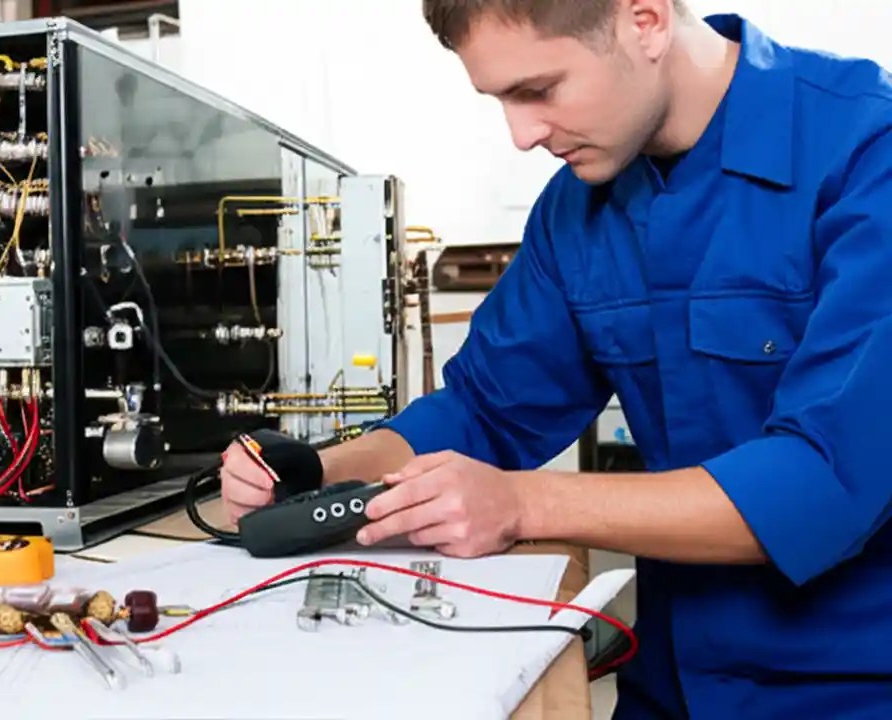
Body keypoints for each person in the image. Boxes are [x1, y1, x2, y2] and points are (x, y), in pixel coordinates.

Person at [219, 1, 892, 717]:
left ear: (646, 21)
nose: (521, 134)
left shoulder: (865, 154)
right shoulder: (576, 207)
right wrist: (320, 472)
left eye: (538, 90)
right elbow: (485, 409)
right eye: (500, 99)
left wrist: (520, 503)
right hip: (671, 682)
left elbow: (822, 480)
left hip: (849, 685)